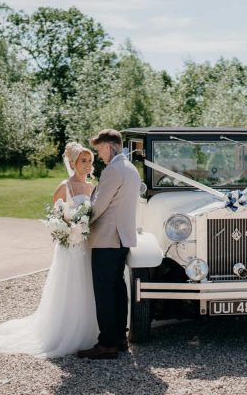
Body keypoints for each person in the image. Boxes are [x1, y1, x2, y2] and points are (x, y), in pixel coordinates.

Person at [0, 142, 98, 358]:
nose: (87, 165)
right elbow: (56, 217)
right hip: (70, 248)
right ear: (73, 163)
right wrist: (68, 229)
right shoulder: (65, 186)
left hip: (86, 246)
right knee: (70, 287)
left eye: (90, 161)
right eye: (83, 161)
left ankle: (88, 329)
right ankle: (63, 331)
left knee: (86, 286)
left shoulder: (92, 187)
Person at [77, 129, 140, 360]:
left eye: (99, 149)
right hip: (122, 238)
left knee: (104, 291)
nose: (99, 154)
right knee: (117, 289)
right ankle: (120, 338)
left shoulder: (114, 170)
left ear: (109, 146)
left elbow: (99, 205)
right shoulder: (131, 169)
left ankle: (106, 344)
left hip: (107, 238)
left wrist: (80, 224)